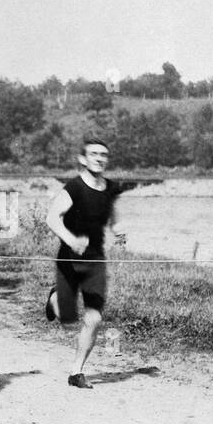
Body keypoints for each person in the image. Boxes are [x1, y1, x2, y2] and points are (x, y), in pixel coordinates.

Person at [43, 138, 126, 388]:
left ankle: (76, 372)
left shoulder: (111, 187)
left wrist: (119, 231)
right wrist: (71, 239)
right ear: (83, 159)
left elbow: (111, 215)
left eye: (103, 154)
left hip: (95, 261)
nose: (99, 158)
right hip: (69, 258)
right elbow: (51, 218)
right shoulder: (74, 188)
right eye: (94, 154)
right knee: (65, 315)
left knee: (95, 318)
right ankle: (54, 298)